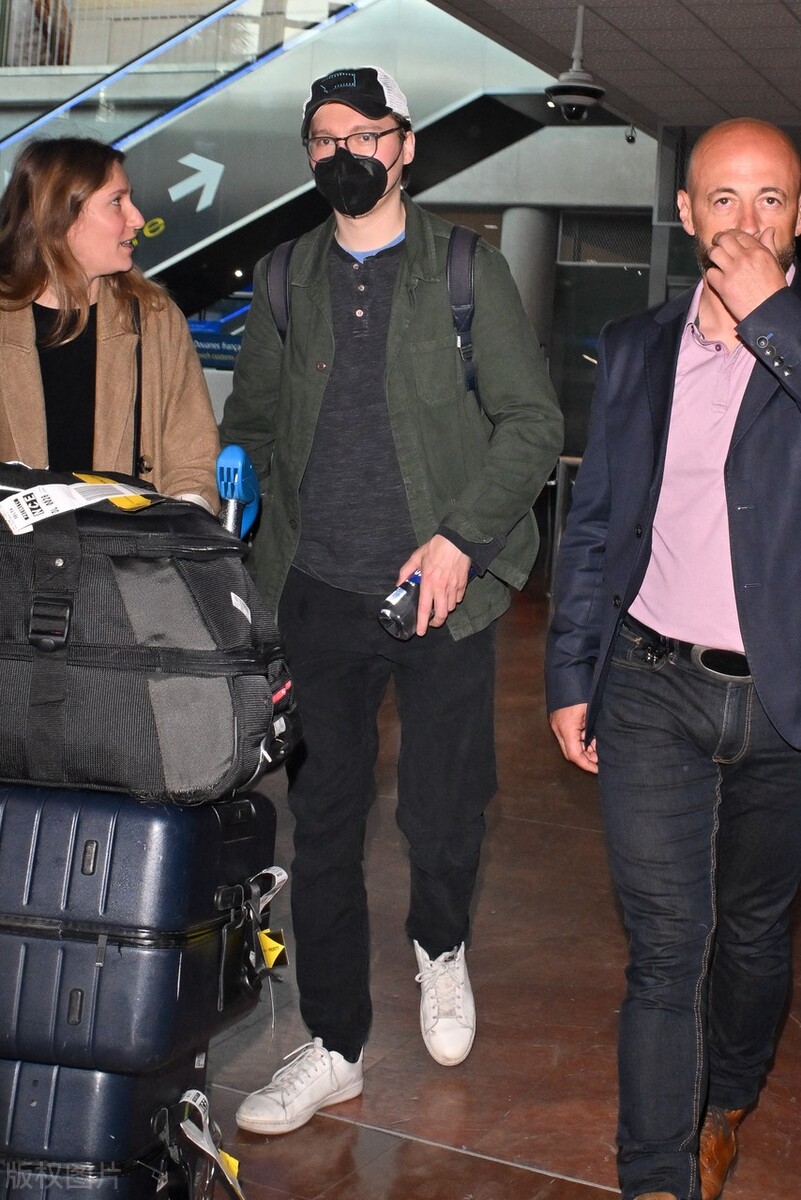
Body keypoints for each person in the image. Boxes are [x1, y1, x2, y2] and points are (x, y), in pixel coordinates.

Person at [220, 64, 562, 1134]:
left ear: (405, 145)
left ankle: (440, 945)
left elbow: (531, 424)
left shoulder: (469, 270)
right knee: (319, 826)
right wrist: (236, 462)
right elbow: (261, 422)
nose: (344, 154)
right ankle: (335, 1044)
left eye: (366, 133)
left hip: (441, 598)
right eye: (324, 138)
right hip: (318, 594)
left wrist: (463, 537)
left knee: (443, 811)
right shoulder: (283, 277)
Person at [546, 117, 801, 1200]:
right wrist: (570, 673)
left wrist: (772, 325)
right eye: (724, 199)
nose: (747, 221)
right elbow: (597, 518)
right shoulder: (639, 345)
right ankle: (655, 1178)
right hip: (650, 684)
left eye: (773, 199)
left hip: (786, 706)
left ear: (800, 217)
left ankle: (728, 1096)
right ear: (687, 214)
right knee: (665, 947)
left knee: (751, 937)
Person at [0, 137, 219, 508]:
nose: (137, 219)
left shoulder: (155, 320)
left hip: (126, 561)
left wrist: (183, 523)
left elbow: (193, 461)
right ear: (60, 215)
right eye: (117, 201)